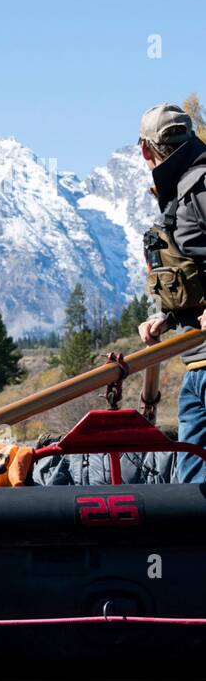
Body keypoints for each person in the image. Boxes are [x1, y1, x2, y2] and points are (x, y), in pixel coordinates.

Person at [135, 103, 206, 483]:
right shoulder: (180, 190)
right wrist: (166, 317)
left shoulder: (201, 185)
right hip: (195, 363)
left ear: (145, 149)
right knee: (192, 490)